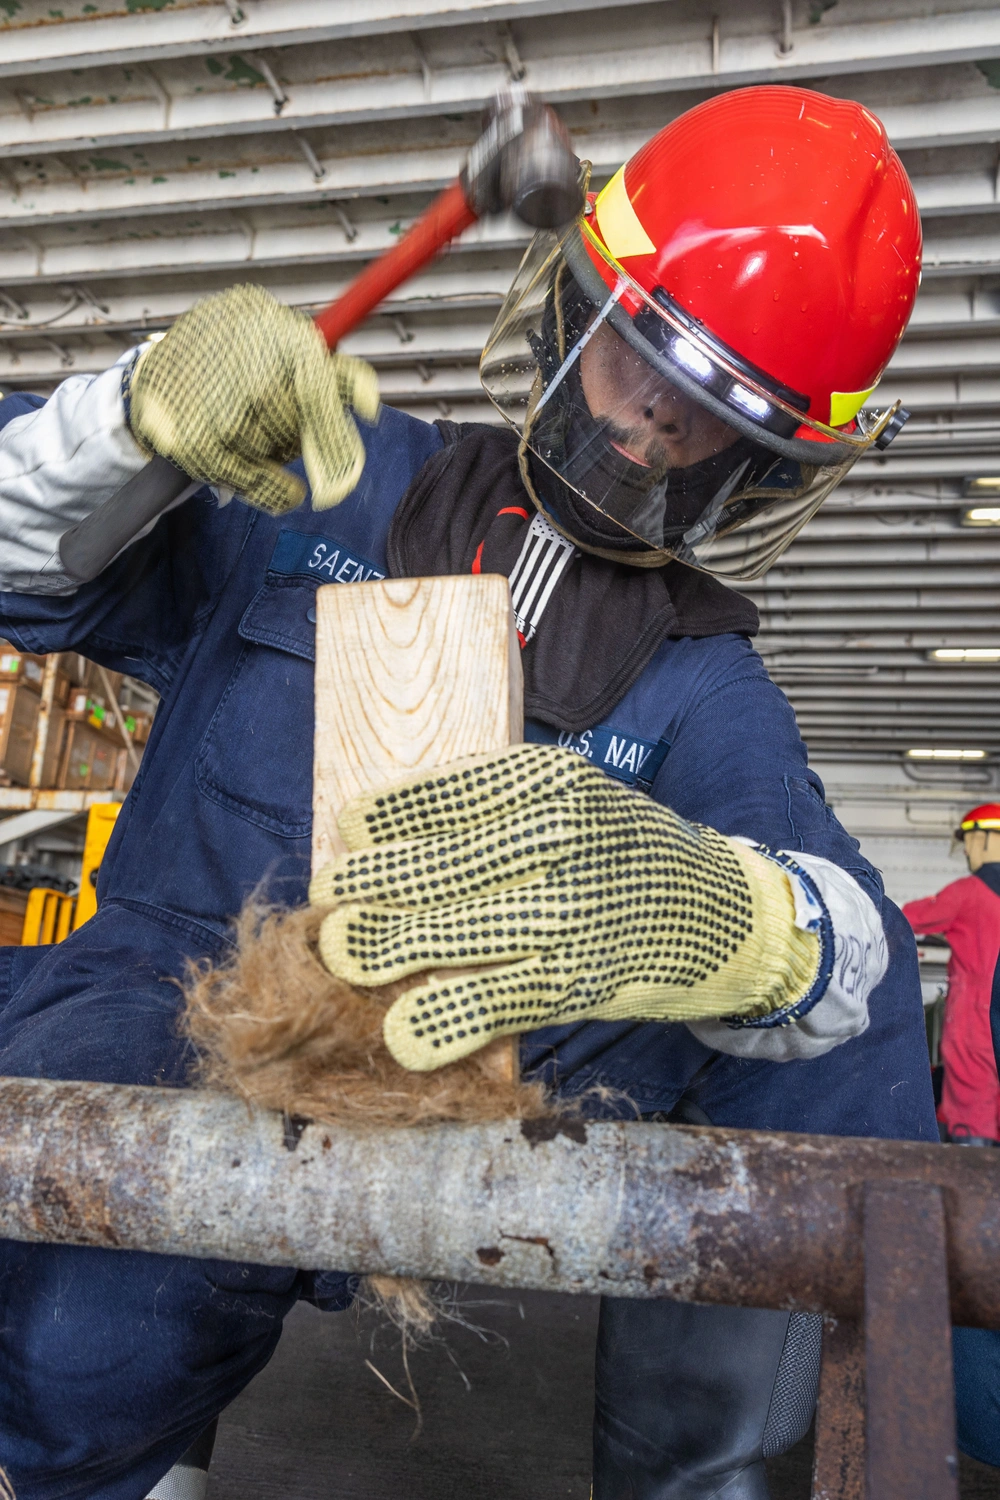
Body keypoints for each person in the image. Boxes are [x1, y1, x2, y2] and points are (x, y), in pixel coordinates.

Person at [0, 85, 936, 1500]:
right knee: (82, 1317)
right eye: (640, 365)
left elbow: (853, 967)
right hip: (119, 1033)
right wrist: (123, 423)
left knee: (833, 1064)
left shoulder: (702, 689)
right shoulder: (328, 477)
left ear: (767, 469)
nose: (647, 433)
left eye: (712, 423)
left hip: (394, 1106)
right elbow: (30, 564)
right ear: (570, 314)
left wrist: (747, 924)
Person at [903, 803, 1000, 1145]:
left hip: (977, 1021)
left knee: (973, 1114)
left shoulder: (967, 894)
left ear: (985, 839)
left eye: (969, 840)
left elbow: (906, 918)